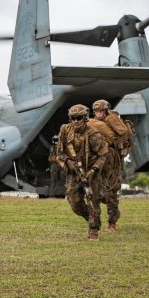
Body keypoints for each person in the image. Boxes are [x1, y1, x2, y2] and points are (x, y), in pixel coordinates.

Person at [53, 104, 109, 240]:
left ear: (85, 118)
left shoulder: (94, 135)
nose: (76, 121)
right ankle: (91, 217)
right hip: (73, 172)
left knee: (92, 200)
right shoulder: (65, 131)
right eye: (73, 118)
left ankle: (93, 229)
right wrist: (68, 163)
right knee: (74, 202)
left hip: (91, 172)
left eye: (79, 118)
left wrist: (93, 170)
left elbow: (103, 155)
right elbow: (59, 153)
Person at [88, 99, 132, 231]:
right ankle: (94, 223)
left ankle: (112, 222)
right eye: (96, 111)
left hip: (113, 162)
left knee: (111, 192)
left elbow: (124, 138)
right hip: (97, 161)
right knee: (94, 193)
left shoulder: (114, 121)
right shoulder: (91, 123)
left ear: (106, 110)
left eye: (101, 111)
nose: (98, 113)